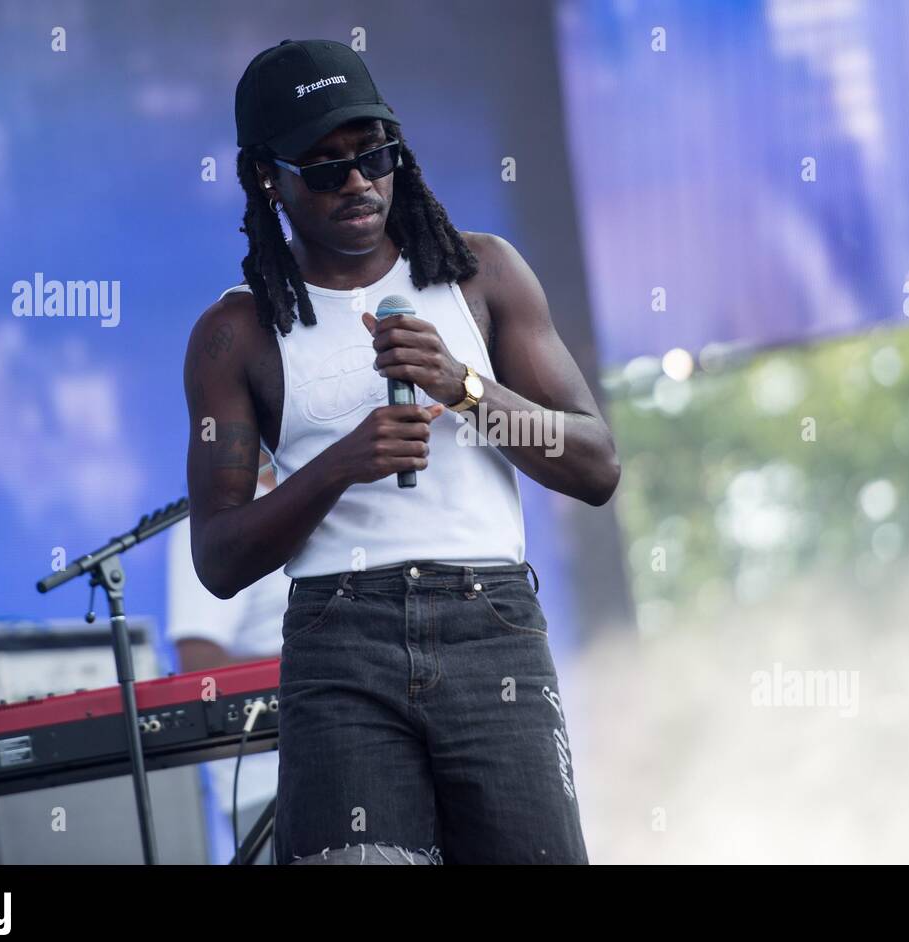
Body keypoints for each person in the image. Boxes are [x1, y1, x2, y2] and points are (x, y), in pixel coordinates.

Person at [182, 38, 619, 864]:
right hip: (339, 638)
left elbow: (596, 465)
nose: (357, 181)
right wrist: (341, 464)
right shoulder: (234, 333)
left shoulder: (482, 274)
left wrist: (469, 390)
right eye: (324, 166)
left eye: (373, 154)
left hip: (490, 623)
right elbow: (219, 556)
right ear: (264, 178)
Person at [165, 454, 284, 863]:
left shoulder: (338, 498)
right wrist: (323, 660)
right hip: (272, 789)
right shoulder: (219, 520)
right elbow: (200, 668)